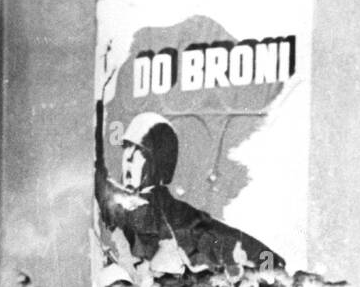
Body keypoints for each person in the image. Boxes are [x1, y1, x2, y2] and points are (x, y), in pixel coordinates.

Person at [94, 102, 284, 272]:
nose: (128, 157)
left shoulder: (184, 220)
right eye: (126, 146)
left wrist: (268, 269)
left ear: (159, 161)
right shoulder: (120, 210)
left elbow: (263, 257)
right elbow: (101, 182)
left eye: (140, 150)